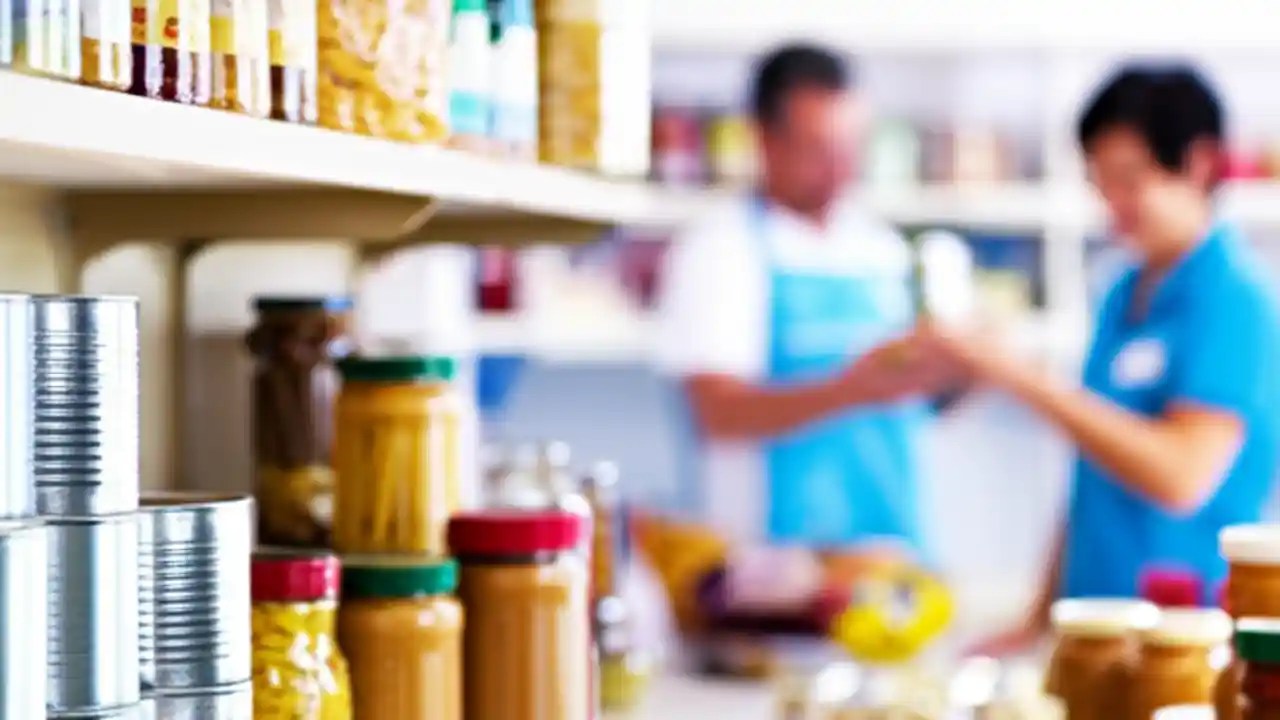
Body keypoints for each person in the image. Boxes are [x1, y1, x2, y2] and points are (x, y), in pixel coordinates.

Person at [927, 65, 1280, 654]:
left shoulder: (1234, 298)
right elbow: (1094, 471)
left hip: (1185, 640)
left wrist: (1018, 374)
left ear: (1197, 163)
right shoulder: (1124, 290)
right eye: (1100, 182)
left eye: (1128, 179)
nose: (1111, 204)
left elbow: (1181, 475)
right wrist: (1038, 618)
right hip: (1098, 632)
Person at [656, 45, 951, 557]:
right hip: (771, 562)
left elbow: (921, 406)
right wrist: (849, 391)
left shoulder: (882, 248)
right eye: (818, 149)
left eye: (849, 146)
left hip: (891, 550)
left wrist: (961, 371)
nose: (839, 168)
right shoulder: (722, 249)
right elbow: (717, 412)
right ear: (764, 140)